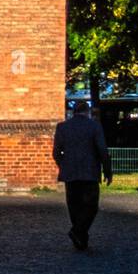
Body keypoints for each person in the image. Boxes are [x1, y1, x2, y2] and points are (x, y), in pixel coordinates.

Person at [53, 100, 113, 251]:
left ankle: (80, 238)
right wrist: (107, 170)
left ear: (73, 112)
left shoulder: (62, 127)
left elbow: (56, 152)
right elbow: (102, 150)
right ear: (88, 112)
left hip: (70, 173)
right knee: (91, 206)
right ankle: (78, 233)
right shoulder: (94, 126)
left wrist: (64, 164)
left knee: (74, 206)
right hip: (90, 172)